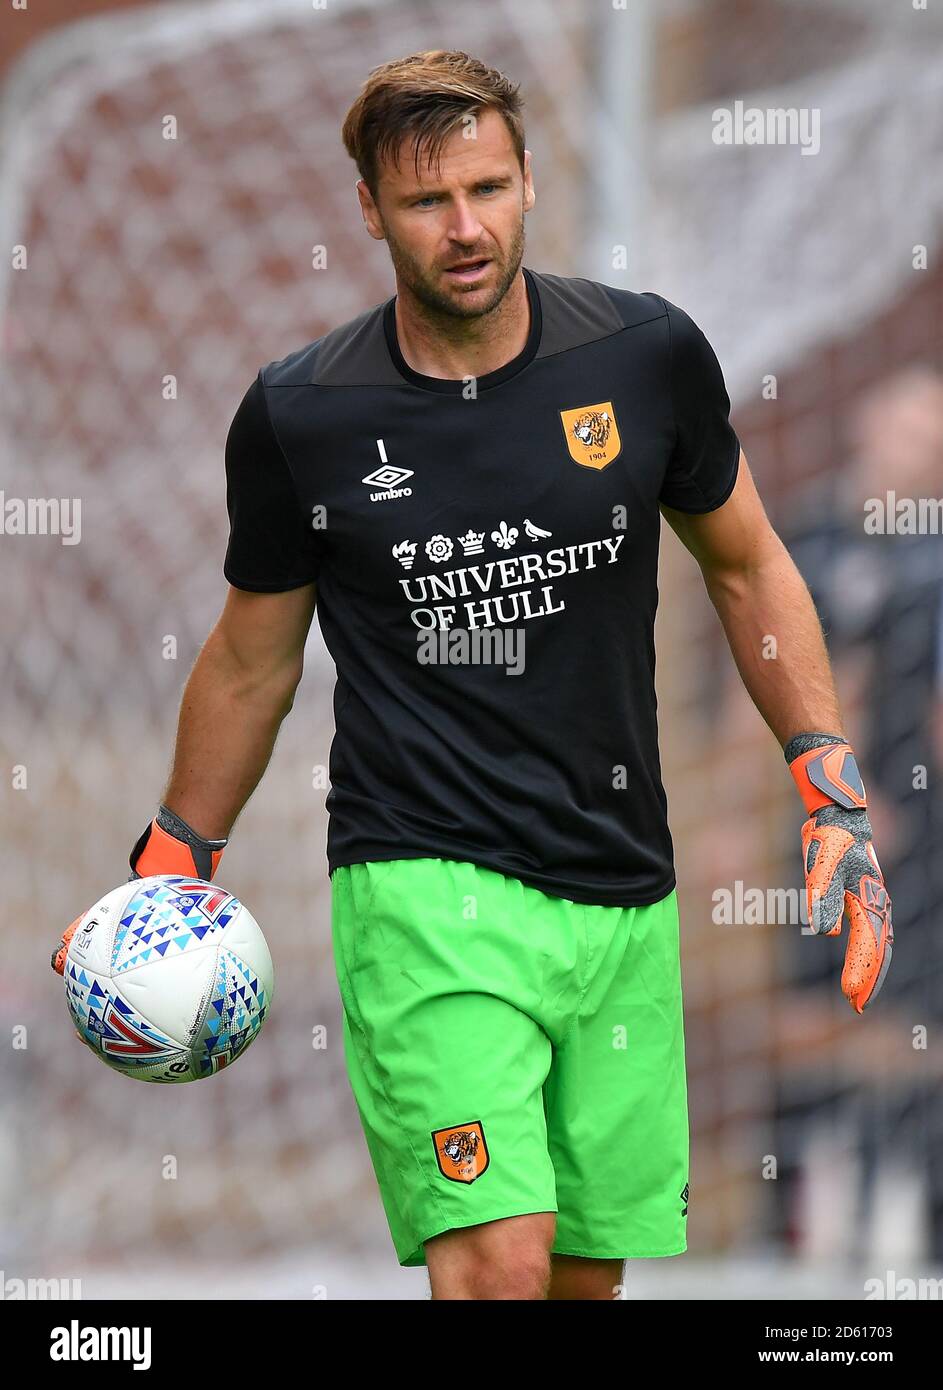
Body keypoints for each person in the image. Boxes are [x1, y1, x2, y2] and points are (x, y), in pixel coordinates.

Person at [51, 49, 892, 1300]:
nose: (465, 228)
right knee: (496, 1265)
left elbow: (746, 566)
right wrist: (180, 849)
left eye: (488, 189)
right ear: (369, 209)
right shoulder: (302, 413)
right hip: (422, 881)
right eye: (426, 202)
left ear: (528, 181)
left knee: (577, 1281)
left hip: (620, 889)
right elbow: (249, 656)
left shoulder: (643, 356)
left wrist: (826, 780)